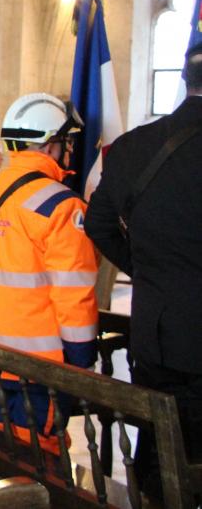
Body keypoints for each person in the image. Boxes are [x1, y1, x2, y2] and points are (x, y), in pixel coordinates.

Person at [85, 43, 202, 496]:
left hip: (159, 329)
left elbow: (97, 223)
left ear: (184, 82)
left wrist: (146, 268)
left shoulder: (134, 145)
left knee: (159, 445)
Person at [0, 93, 97, 457]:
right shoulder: (62, 205)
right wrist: (82, 360)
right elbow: (74, 292)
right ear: (52, 146)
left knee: (0, 449)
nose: (70, 150)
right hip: (42, 364)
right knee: (43, 457)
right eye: (67, 142)